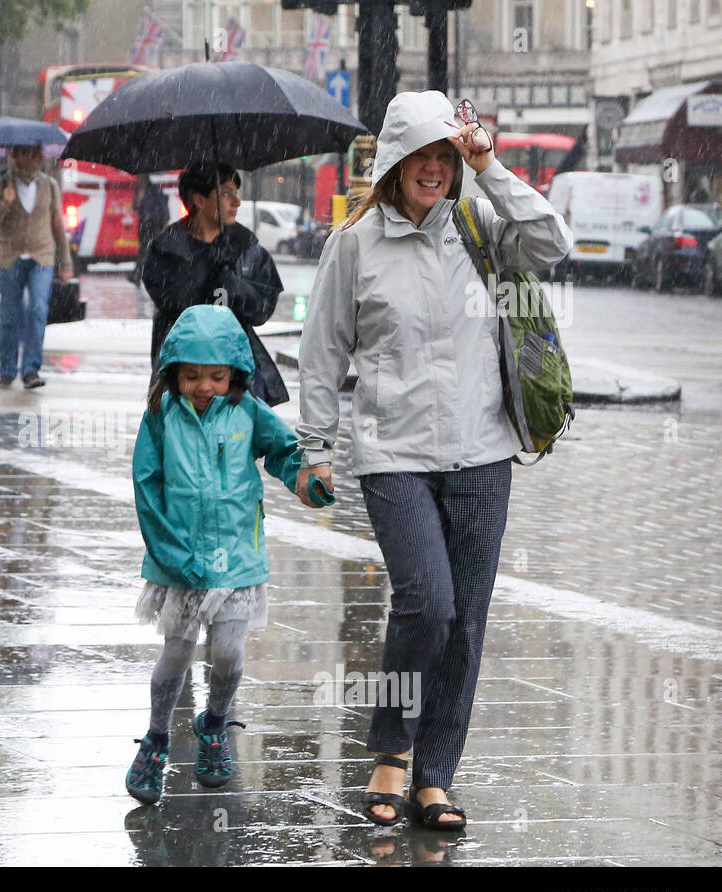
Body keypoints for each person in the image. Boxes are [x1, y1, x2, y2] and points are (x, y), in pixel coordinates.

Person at [295, 90, 571, 830]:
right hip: (394, 453)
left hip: (483, 450)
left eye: (446, 157)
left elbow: (553, 243)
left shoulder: (480, 226)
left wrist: (491, 167)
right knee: (430, 604)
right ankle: (390, 749)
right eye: (423, 154)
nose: (435, 169)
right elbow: (322, 354)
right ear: (394, 162)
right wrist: (314, 450)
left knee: (468, 622)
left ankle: (435, 776)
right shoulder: (355, 244)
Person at [126, 304, 315, 805]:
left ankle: (214, 723)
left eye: (216, 375)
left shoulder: (248, 412)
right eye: (191, 376)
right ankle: (156, 737)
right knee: (177, 652)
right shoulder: (161, 416)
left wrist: (305, 477)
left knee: (229, 654)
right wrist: (168, 550)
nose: (204, 385)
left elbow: (282, 451)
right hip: (180, 560)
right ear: (173, 374)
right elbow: (147, 483)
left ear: (235, 373)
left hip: (236, 558)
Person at [143, 162, 289, 407]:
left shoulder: (245, 246)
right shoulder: (167, 248)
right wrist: (205, 270)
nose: (236, 202)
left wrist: (233, 283)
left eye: (236, 193)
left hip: (236, 369)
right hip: (184, 369)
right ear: (199, 200)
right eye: (226, 193)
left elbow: (262, 308)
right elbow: (174, 304)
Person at [0, 144, 74, 390]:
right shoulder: (2, 184)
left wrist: (65, 262)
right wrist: (5, 204)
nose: (35, 158)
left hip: (41, 256)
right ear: (15, 156)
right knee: (9, 315)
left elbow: (57, 225)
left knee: (37, 309)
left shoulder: (49, 185)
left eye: (37, 153)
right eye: (28, 153)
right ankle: (7, 369)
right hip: (9, 256)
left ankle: (31, 369)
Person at [131, 176, 170, 286]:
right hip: (144, 223)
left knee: (148, 249)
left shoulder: (155, 189)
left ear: (145, 178)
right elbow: (135, 207)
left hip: (154, 223)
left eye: (140, 178)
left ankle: (138, 275)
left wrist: (165, 221)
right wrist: (139, 198)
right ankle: (137, 275)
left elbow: (163, 206)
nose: (138, 180)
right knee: (144, 249)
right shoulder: (138, 190)